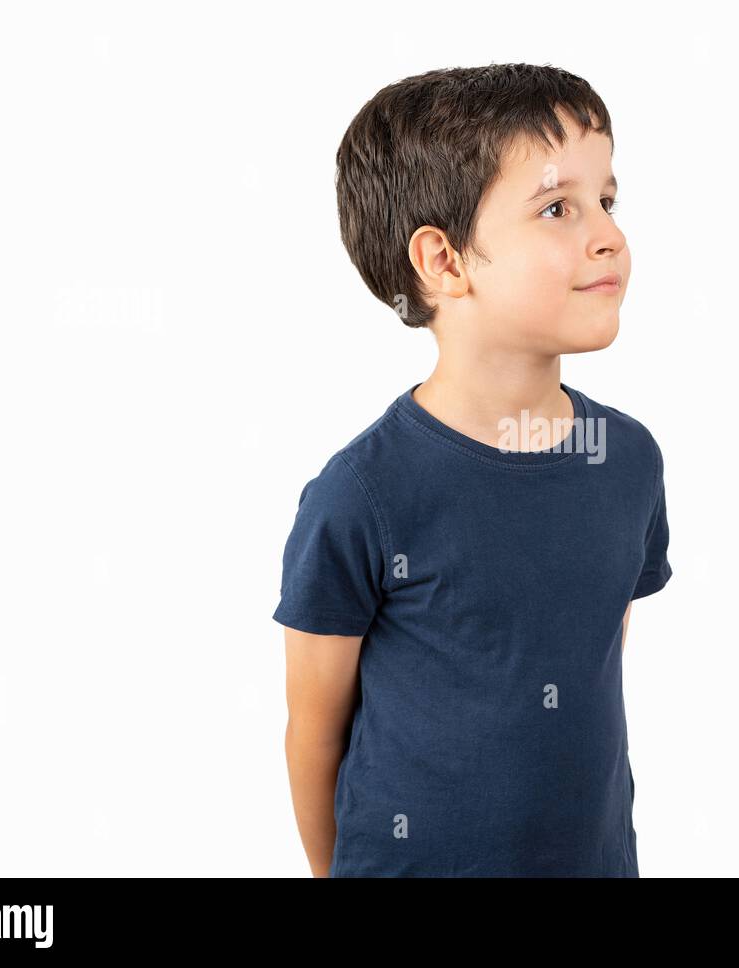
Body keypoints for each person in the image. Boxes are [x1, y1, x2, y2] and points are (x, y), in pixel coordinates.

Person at [273, 63, 672, 877]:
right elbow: (314, 730)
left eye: (608, 200)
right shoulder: (364, 496)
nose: (609, 234)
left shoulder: (627, 461)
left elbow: (588, 661)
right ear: (443, 262)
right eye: (559, 208)